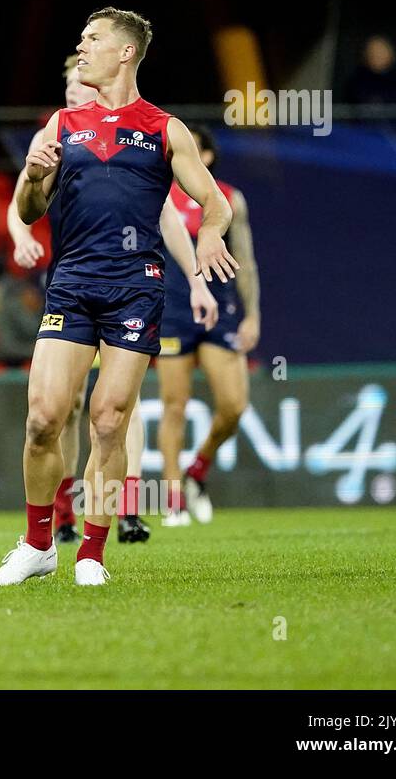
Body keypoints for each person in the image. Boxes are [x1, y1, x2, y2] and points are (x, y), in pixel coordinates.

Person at [0, 8, 236, 588]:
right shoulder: (62, 125)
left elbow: (213, 202)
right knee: (44, 417)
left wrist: (210, 238)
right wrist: (32, 177)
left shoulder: (163, 128)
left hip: (135, 288)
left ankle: (91, 553)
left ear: (125, 52)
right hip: (71, 282)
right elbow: (29, 211)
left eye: (92, 39)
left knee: (108, 421)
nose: (82, 47)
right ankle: (37, 544)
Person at [157, 124, 260, 525]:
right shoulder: (161, 197)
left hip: (221, 307)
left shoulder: (229, 199)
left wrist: (253, 315)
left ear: (208, 157)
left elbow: (246, 260)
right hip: (173, 310)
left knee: (234, 406)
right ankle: (173, 497)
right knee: (173, 406)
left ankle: (198, 469)